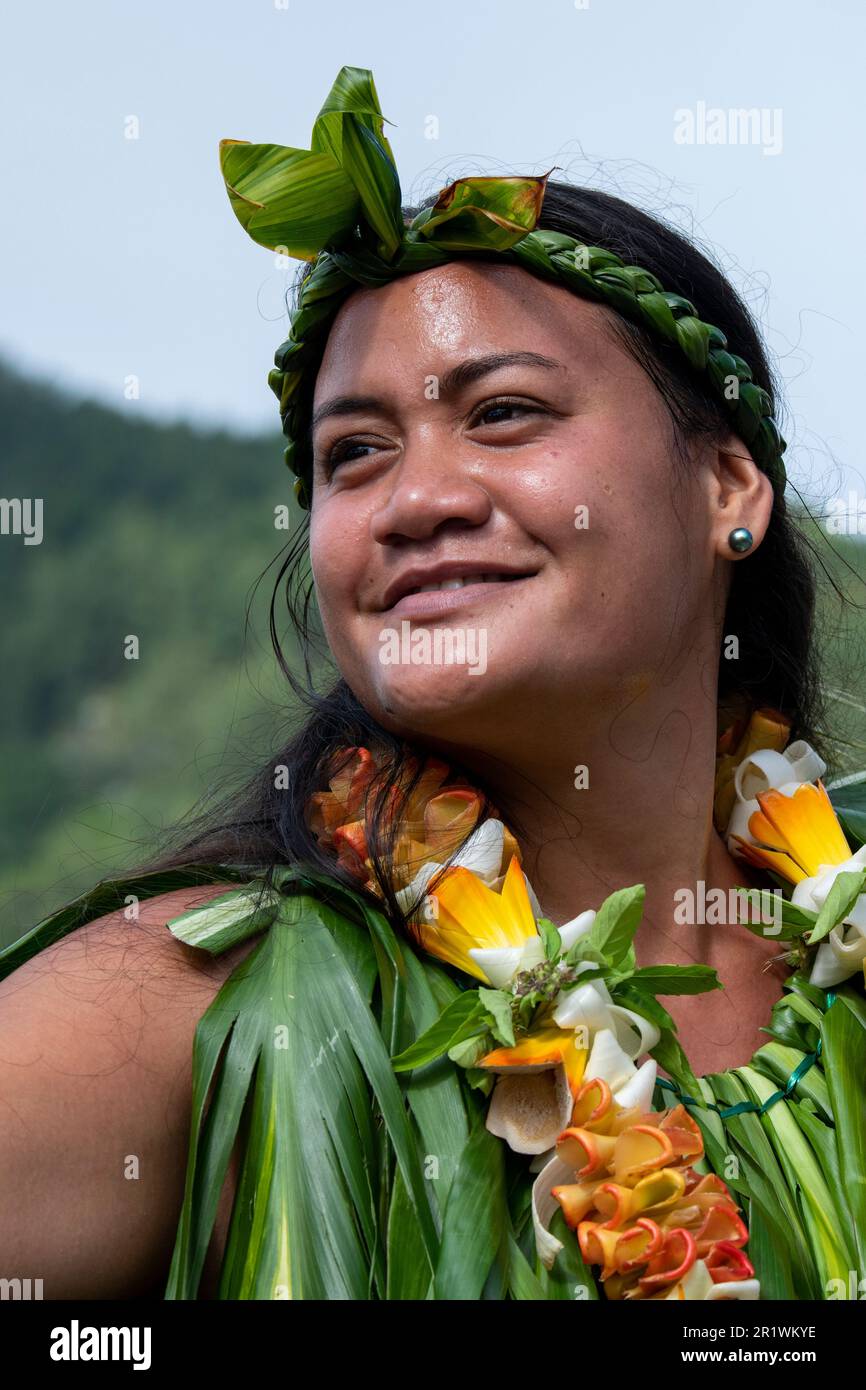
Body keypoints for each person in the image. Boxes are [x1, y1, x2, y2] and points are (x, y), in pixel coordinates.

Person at [0, 68, 858, 1301]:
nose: (414, 501)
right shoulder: (193, 1015)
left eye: (504, 413)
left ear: (725, 484)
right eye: (354, 453)